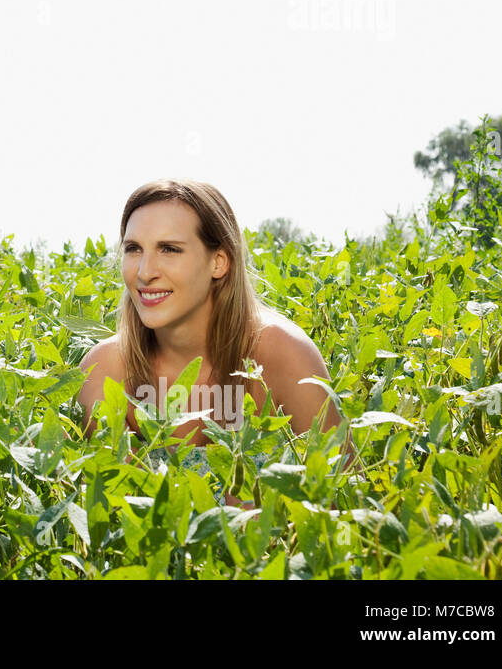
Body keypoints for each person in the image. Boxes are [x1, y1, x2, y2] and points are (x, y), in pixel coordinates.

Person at [76, 178, 357, 507]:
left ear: (218, 262)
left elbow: (346, 502)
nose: (144, 271)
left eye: (169, 249)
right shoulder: (106, 369)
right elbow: (112, 514)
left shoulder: (282, 353)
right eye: (133, 248)